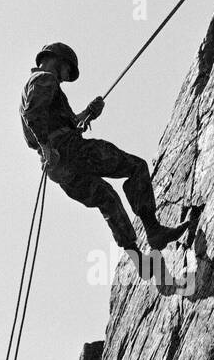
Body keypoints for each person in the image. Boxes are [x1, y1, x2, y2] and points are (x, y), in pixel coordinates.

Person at [20, 41, 191, 254]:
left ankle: (137, 258)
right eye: (67, 69)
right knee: (135, 167)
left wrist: (88, 113)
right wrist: (47, 147)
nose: (66, 76)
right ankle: (153, 229)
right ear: (56, 59)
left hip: (59, 168)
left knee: (106, 198)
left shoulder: (33, 86)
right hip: (70, 150)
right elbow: (33, 115)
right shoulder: (45, 79)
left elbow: (56, 123)